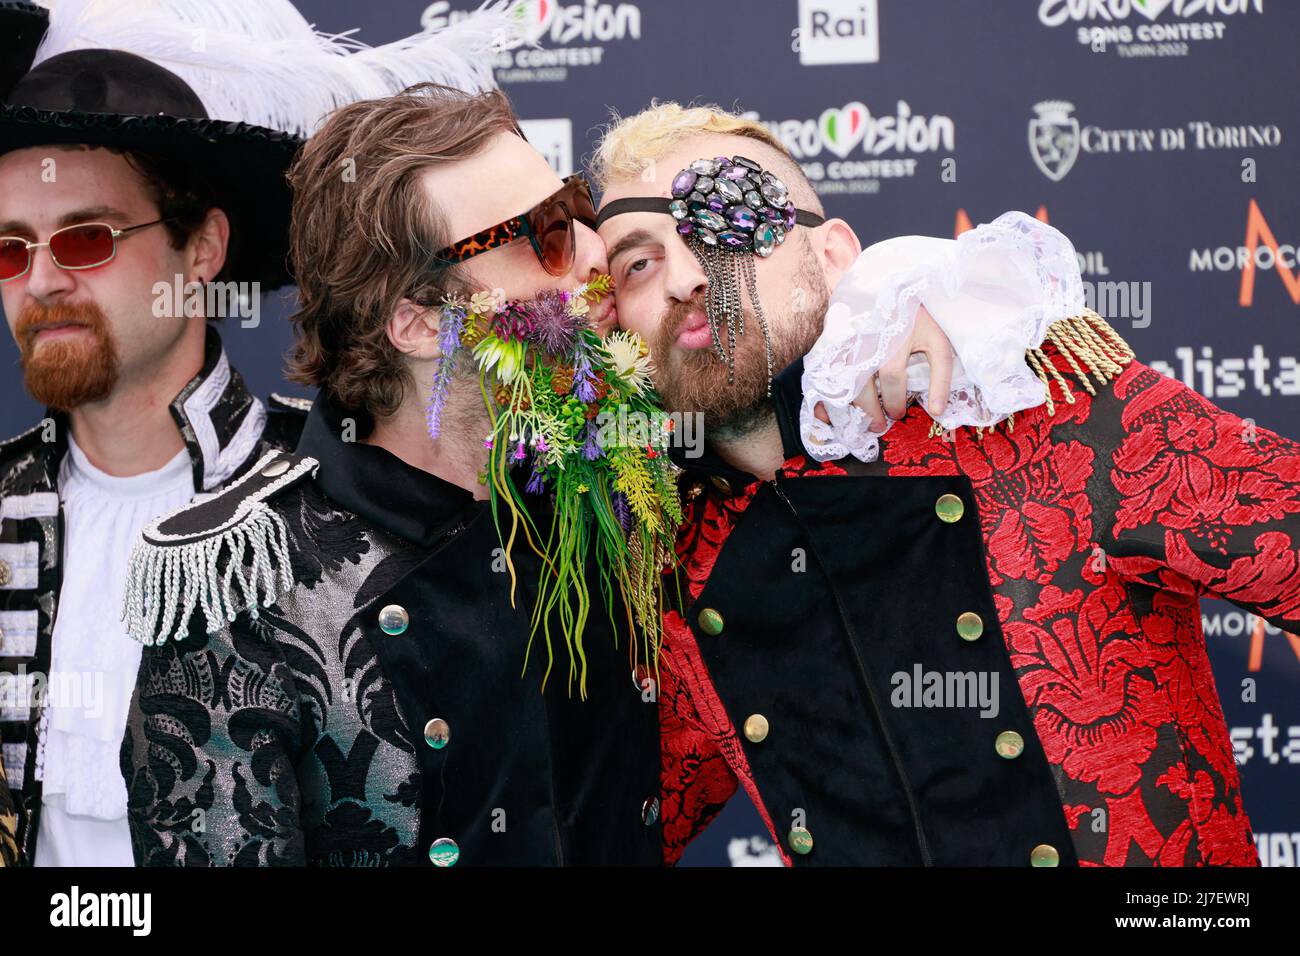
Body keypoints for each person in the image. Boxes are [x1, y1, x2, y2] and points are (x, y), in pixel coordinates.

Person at [593, 102, 1299, 866]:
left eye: (727, 220)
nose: (691, 278)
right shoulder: (666, 574)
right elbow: (578, 824)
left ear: (834, 256)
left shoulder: (1040, 406)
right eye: (639, 263)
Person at [0, 0, 517, 868]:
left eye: (85, 239)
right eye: (9, 251)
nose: (43, 279)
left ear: (201, 249)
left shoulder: (357, 491)